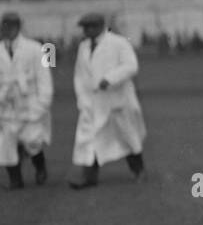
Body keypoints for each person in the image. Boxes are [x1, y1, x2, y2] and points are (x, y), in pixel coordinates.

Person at [69, 13, 147, 188]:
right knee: (92, 137)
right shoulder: (83, 47)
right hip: (94, 102)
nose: (86, 31)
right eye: (84, 28)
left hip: (117, 99)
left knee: (128, 136)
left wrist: (110, 79)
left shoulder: (118, 43)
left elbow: (131, 66)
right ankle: (89, 177)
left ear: (99, 27)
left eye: (89, 27)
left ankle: (139, 170)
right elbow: (79, 76)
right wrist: (82, 98)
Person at [0, 12, 52, 189]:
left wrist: (43, 103)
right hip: (6, 106)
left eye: (11, 25)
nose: (8, 29)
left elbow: (45, 78)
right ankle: (15, 179)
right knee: (6, 144)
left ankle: (40, 167)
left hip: (30, 104)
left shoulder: (37, 48)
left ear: (18, 26)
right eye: (5, 26)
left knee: (33, 141)